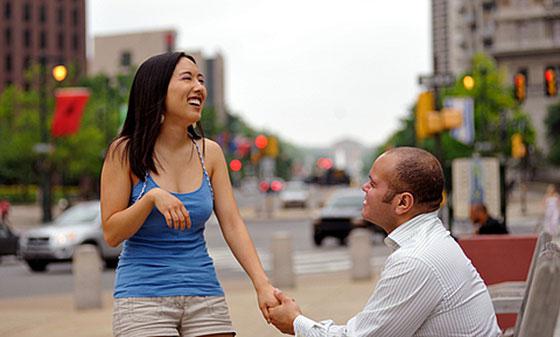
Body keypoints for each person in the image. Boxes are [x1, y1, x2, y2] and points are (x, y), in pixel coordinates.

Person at [100, 52, 278, 337]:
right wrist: (150, 199)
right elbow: (111, 232)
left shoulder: (211, 153)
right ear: (157, 89)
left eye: (201, 80)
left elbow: (232, 223)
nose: (199, 87)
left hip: (203, 291)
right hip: (143, 297)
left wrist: (262, 285)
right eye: (187, 78)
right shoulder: (124, 152)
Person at [268, 147, 501, 337]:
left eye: (373, 183)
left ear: (403, 203)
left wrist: (295, 323)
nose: (364, 188)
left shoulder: (415, 260)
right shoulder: (433, 240)